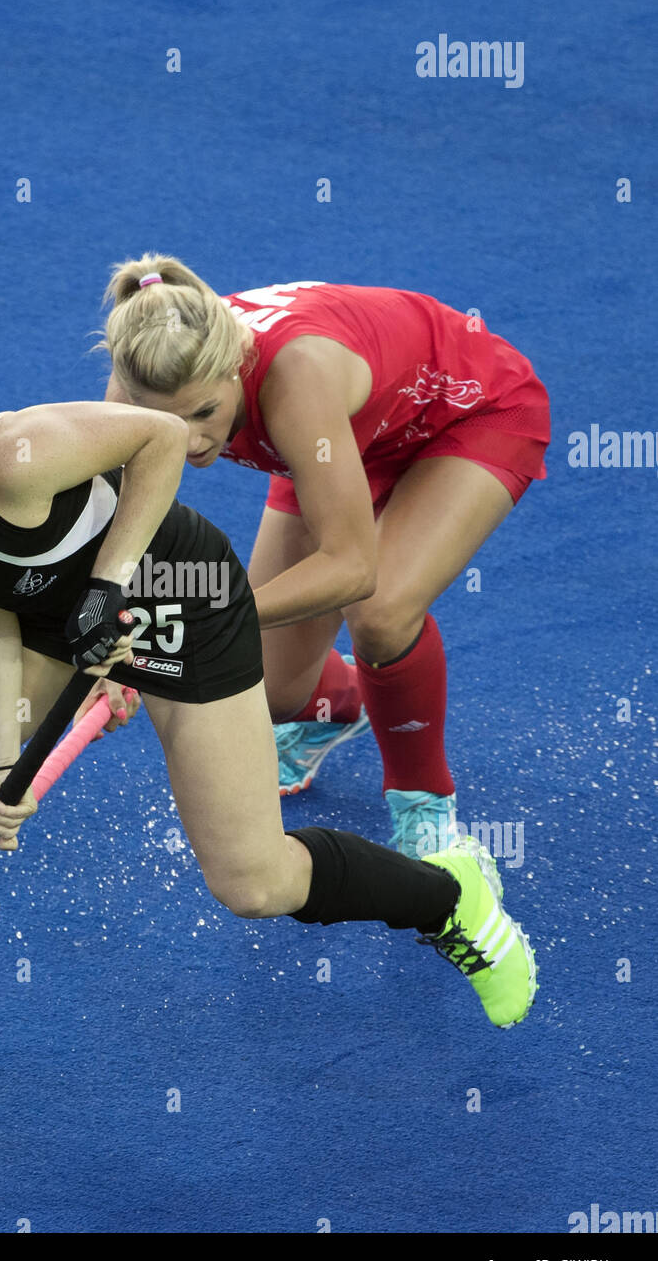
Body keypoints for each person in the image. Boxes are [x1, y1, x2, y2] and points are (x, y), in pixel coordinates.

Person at [0, 353, 537, 1061]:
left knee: (253, 883)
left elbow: (162, 435)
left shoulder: (16, 456)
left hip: (176, 593)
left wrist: (108, 583)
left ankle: (448, 897)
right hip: (37, 623)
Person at [98, 257, 551, 859]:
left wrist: (209, 619)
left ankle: (424, 806)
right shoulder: (139, 377)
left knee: (382, 609)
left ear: (236, 366)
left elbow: (350, 568)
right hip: (335, 445)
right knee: (274, 692)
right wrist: (103, 634)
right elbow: (117, 533)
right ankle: (344, 703)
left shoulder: (296, 379)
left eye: (205, 413)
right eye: (166, 420)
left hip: (463, 414)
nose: (189, 441)